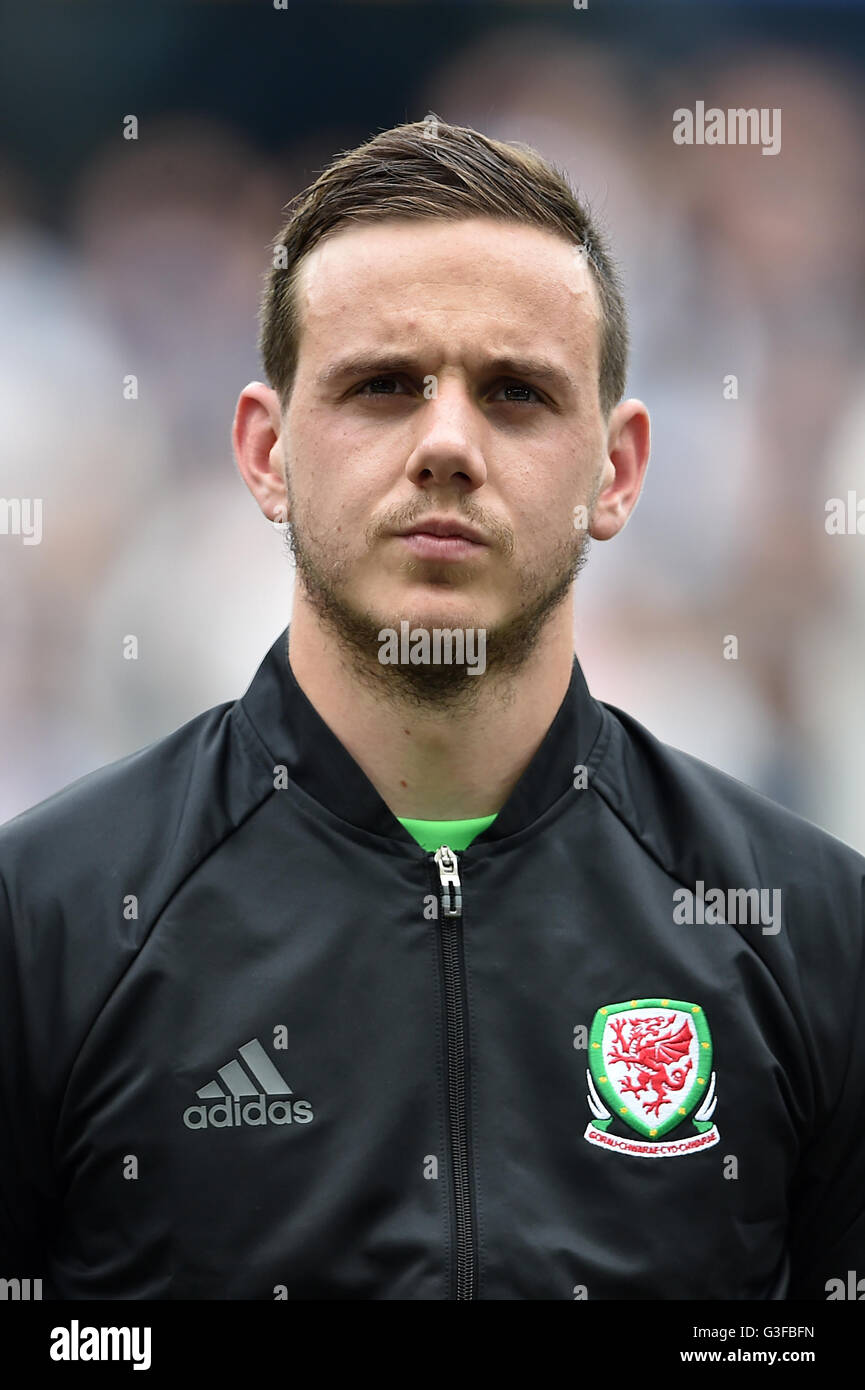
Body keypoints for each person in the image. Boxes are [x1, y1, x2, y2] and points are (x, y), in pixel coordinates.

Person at [1, 118, 862, 1302]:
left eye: (514, 393)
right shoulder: (45, 923)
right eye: (381, 386)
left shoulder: (813, 931)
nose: (447, 443)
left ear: (616, 472)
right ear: (264, 452)